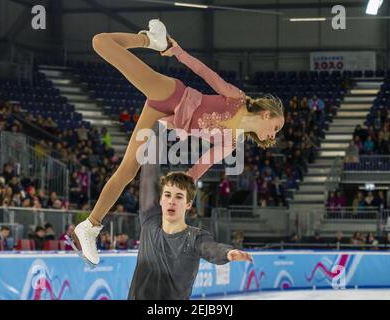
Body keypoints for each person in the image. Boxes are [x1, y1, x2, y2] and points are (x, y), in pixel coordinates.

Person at [72, 19, 284, 266]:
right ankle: (149, 40)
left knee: (128, 170)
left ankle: (90, 226)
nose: (274, 134)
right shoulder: (237, 99)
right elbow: (207, 74)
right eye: (276, 127)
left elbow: (197, 169)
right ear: (267, 114)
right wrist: (177, 52)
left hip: (164, 114)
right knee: (101, 42)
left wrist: (178, 192)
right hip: (172, 93)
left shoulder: (231, 142)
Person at [127, 157, 252, 299]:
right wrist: (153, 136)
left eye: (179, 197)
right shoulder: (150, 222)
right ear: (160, 199)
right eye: (167, 195)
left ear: (188, 204)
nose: (172, 201)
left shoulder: (195, 238)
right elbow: (149, 173)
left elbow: (210, 248)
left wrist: (226, 253)